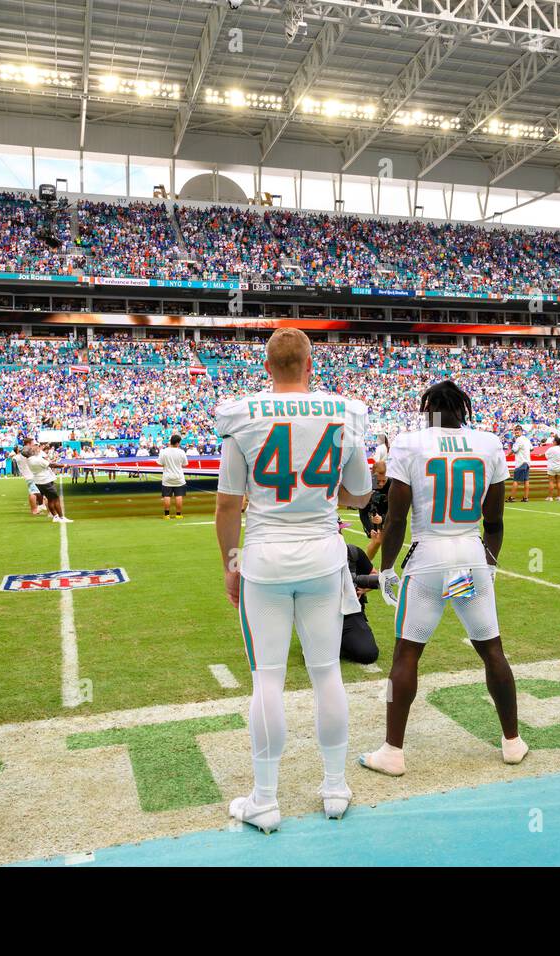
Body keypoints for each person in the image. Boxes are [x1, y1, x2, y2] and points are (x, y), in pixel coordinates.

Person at [213, 328, 372, 833]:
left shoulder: (244, 415)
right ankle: (334, 788)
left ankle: (265, 798)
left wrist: (230, 563)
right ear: (310, 366)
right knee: (327, 672)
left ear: (267, 368)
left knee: (268, 678)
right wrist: (325, 493)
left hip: (263, 558)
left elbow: (225, 504)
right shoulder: (342, 412)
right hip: (324, 557)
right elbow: (362, 495)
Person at [361, 380, 527, 776]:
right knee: (492, 652)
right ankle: (512, 742)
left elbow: (397, 518)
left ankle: (393, 752)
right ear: (462, 408)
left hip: (430, 559)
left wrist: (386, 570)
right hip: (469, 557)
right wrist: (488, 564)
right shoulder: (487, 443)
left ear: (429, 407)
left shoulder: (410, 443)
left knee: (407, 655)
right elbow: (496, 521)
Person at [340, 539, 379, 666]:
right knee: (317, 656)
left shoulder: (351, 552)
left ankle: (342, 641)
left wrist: (362, 589)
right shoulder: (312, 555)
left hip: (350, 614)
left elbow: (374, 575)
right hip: (321, 615)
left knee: (368, 653)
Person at [18, 440, 70, 523]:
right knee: (55, 499)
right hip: (46, 480)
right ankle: (61, 517)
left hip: (39, 481)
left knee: (50, 499)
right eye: (31, 449)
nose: (33, 449)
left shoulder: (29, 460)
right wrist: (64, 465)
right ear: (30, 452)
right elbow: (52, 465)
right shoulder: (36, 459)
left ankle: (55, 516)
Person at [359, 460, 390, 562]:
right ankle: (366, 566)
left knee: (388, 541)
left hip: (388, 513)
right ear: (373, 476)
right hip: (372, 513)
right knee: (377, 540)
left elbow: (395, 510)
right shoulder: (367, 485)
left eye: (383, 481)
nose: (381, 484)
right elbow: (363, 512)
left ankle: (386, 569)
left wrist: (383, 519)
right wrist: (370, 528)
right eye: (378, 481)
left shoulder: (392, 484)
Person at [158, 434, 189, 519]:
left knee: (167, 496)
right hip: (179, 477)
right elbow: (185, 464)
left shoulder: (163, 451)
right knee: (179, 496)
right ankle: (178, 514)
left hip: (167, 477)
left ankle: (166, 514)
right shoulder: (181, 452)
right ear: (178, 443)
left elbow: (160, 463)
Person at [508, 424, 531, 503]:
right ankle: (525, 498)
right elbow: (532, 449)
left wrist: (507, 455)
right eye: (516, 432)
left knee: (516, 480)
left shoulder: (519, 440)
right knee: (526, 481)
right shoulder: (527, 439)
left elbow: (514, 450)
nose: (516, 433)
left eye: (517, 432)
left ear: (521, 432)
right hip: (527, 462)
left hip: (520, 462)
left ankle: (512, 497)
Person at [545, 434, 560, 501]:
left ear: (555, 442)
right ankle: (559, 496)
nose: (552, 442)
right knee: (559, 481)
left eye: (553, 441)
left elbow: (547, 456)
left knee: (551, 482)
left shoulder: (551, 449)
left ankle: (550, 497)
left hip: (552, 467)